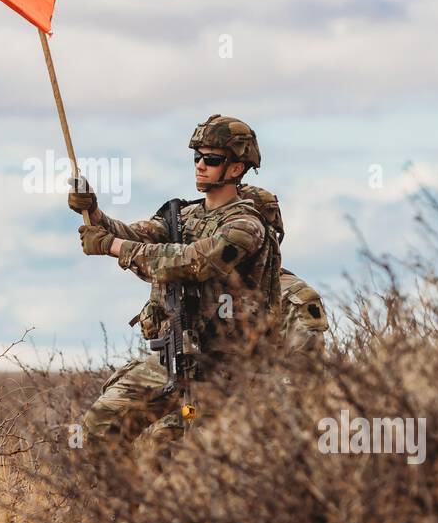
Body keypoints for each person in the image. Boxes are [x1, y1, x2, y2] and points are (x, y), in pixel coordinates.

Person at [68, 114, 283, 452]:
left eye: (211, 159)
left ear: (237, 168)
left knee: (190, 458)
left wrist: (113, 247)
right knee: (96, 430)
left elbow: (194, 262)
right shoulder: (181, 216)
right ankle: (117, 505)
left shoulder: (246, 226)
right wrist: (95, 214)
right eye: (197, 157)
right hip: (177, 357)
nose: (200, 165)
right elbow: (135, 235)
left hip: (228, 371)